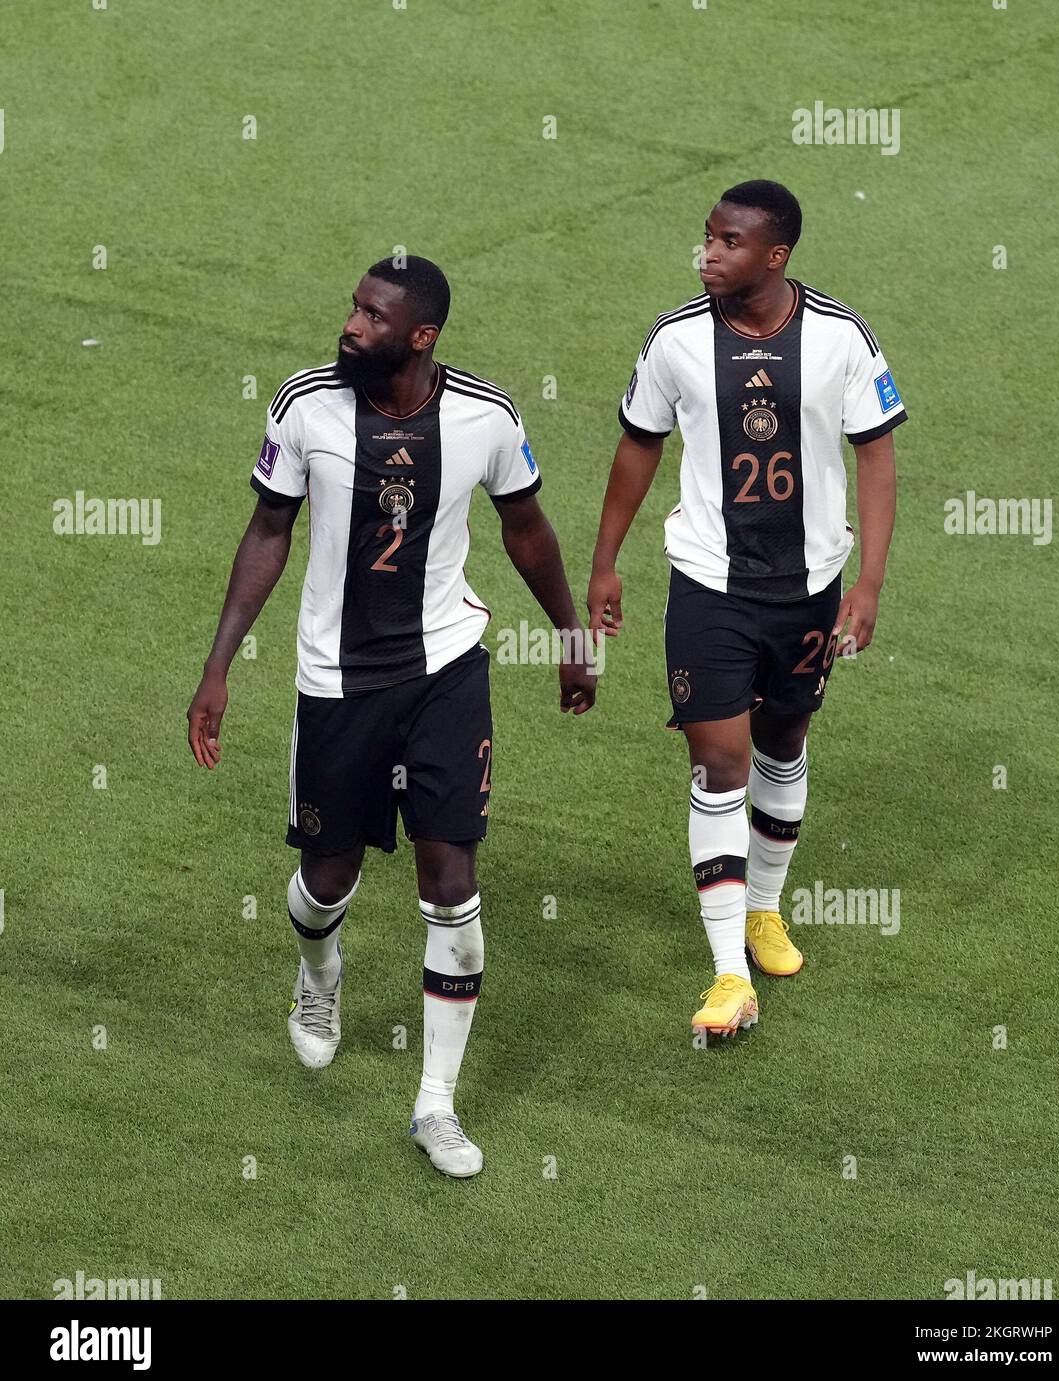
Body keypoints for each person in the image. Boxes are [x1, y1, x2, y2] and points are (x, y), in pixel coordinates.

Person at [188, 256, 596, 1174]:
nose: (351, 324)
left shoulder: (486, 416)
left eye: (373, 315)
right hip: (337, 682)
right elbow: (267, 532)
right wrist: (218, 668)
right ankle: (318, 977)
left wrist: (571, 631)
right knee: (326, 880)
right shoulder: (306, 407)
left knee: (450, 879)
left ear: (423, 335)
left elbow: (523, 524)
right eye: (353, 307)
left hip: (447, 667)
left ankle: (436, 1105)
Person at [588, 182, 905, 1036]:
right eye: (706, 239)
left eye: (728, 242)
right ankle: (729, 972)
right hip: (707, 582)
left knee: (785, 740)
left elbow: (875, 456)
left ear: (776, 255)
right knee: (719, 760)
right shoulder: (675, 340)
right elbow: (637, 446)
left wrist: (869, 581)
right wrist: (606, 561)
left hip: (810, 586)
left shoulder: (840, 336)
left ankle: (763, 906)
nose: (708, 254)